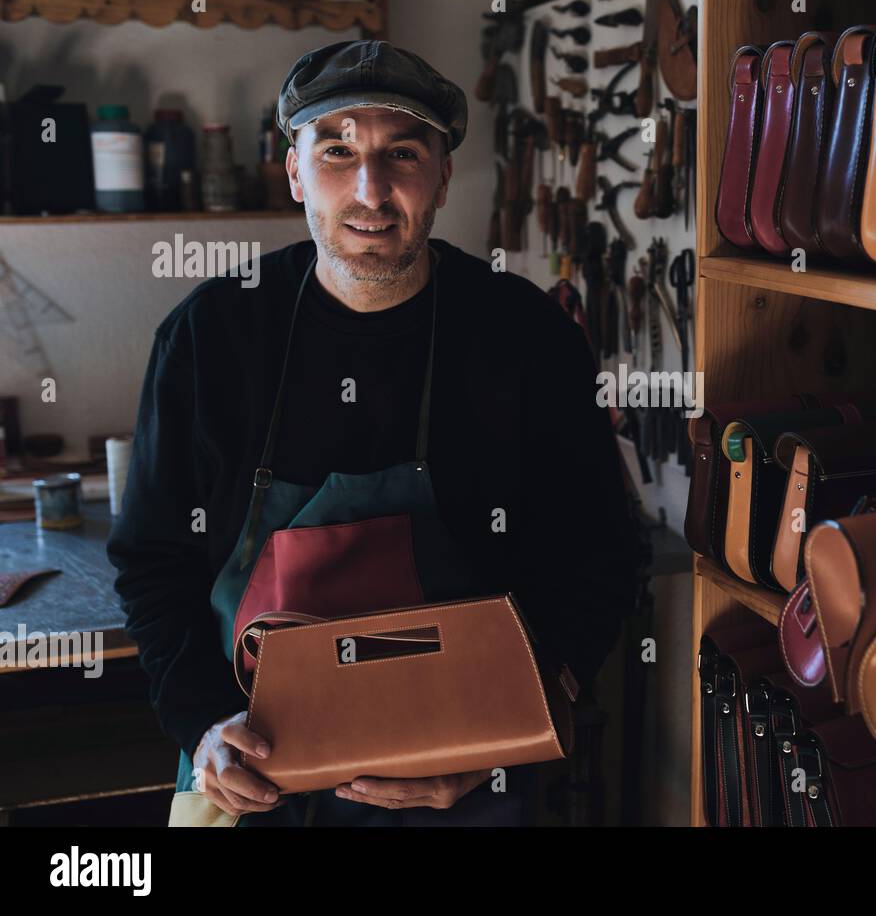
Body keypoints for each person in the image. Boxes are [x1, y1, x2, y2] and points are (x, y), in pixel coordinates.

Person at [106, 40, 642, 826]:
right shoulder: (209, 338)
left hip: (464, 779)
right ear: (294, 173)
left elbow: (601, 556)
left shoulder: (527, 338)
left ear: (443, 175)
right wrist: (201, 720)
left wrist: (510, 729)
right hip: (250, 774)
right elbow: (153, 562)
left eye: (402, 152)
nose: (371, 190)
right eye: (336, 151)